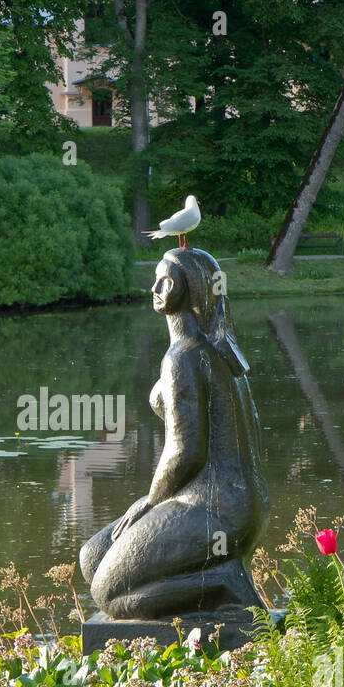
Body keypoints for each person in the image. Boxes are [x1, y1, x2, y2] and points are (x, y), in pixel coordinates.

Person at [79, 247, 270, 620]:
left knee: (110, 597)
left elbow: (187, 451)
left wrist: (150, 503)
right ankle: (211, 575)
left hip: (216, 509)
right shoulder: (218, 347)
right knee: (92, 557)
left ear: (182, 290)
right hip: (237, 503)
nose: (153, 287)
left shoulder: (184, 356)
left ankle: (222, 581)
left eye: (164, 281)